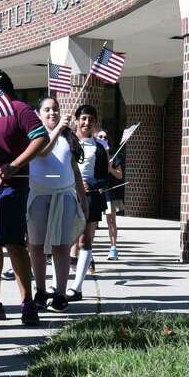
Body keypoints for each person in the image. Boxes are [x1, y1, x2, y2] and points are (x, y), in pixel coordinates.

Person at [0, 69, 48, 326]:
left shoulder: (18, 109)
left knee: (14, 242)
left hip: (12, 185)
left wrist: (15, 164)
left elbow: (40, 137)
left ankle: (28, 302)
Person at [26, 97, 86, 313]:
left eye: (56, 109)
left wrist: (83, 199)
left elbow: (75, 171)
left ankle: (60, 294)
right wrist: (59, 128)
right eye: (47, 109)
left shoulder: (68, 137)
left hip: (65, 196)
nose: (52, 113)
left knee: (62, 246)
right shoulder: (35, 136)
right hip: (39, 195)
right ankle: (41, 290)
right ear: (38, 113)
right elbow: (42, 151)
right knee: (37, 245)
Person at [67, 104, 111, 300]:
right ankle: (57, 286)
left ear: (95, 123)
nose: (86, 122)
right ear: (76, 120)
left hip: (90, 198)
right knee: (61, 242)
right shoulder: (66, 142)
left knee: (85, 241)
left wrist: (90, 183)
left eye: (90, 119)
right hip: (66, 195)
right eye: (83, 118)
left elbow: (105, 177)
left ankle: (76, 288)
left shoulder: (100, 148)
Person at [96, 130, 125, 260]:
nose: (103, 139)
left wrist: (110, 169)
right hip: (95, 190)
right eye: (100, 137)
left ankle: (113, 248)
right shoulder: (93, 153)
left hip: (109, 191)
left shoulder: (115, 156)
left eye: (105, 137)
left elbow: (119, 175)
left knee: (111, 220)